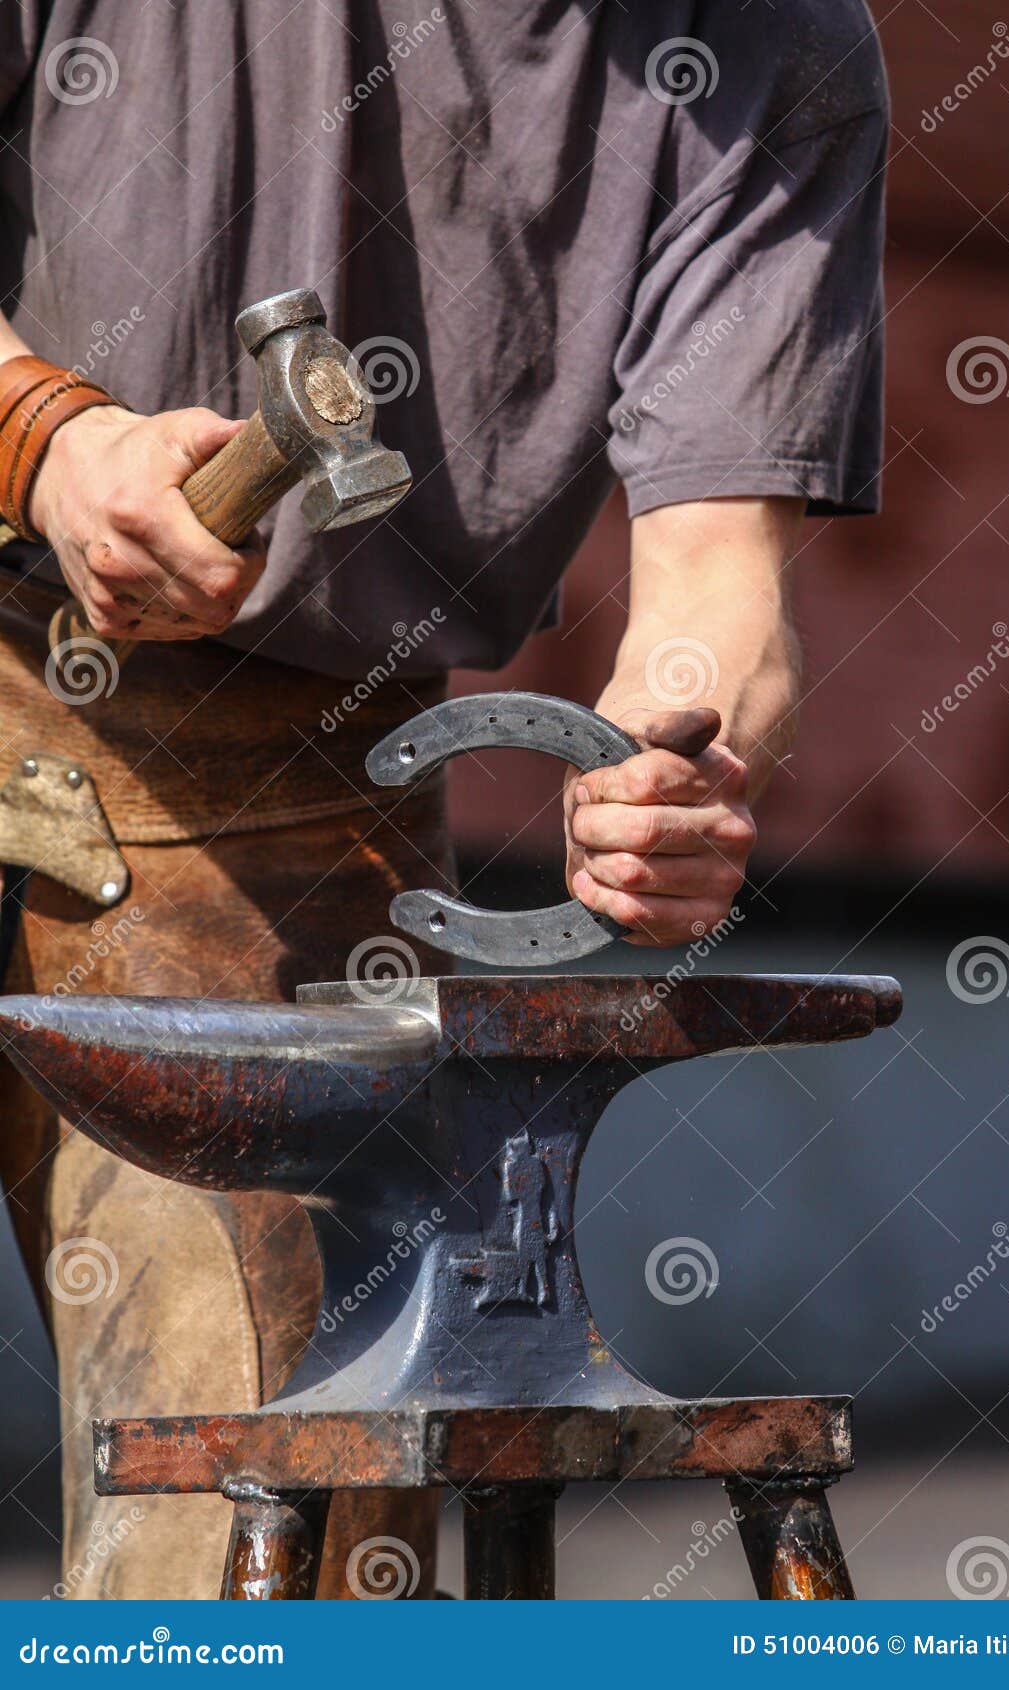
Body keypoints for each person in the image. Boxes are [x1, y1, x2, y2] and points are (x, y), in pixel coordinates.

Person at [0, 3, 887, 1597]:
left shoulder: (772, 52)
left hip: (267, 780)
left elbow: (716, 571)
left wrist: (673, 757)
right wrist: (47, 443)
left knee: (276, 1529)